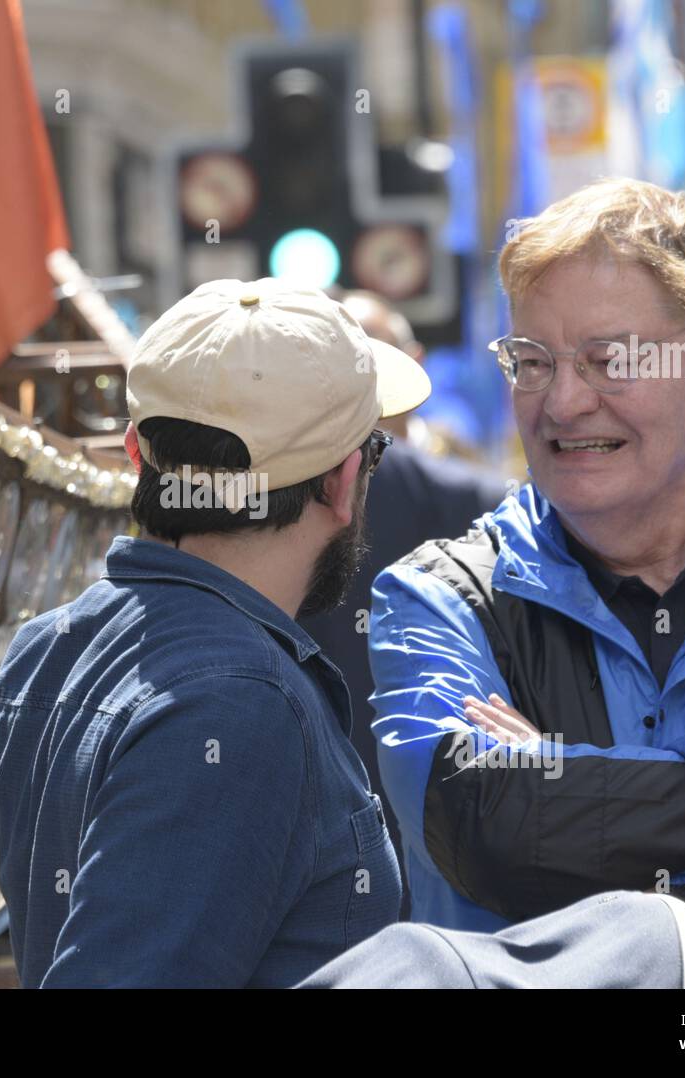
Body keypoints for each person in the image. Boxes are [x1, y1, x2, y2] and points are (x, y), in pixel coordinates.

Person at [369, 178, 685, 988]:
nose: (562, 401)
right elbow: (489, 826)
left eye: (610, 359)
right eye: (531, 362)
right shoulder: (438, 596)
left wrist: (565, 783)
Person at [0, 277, 430, 987]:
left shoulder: (50, 645)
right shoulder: (241, 705)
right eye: (372, 451)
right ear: (346, 481)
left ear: (136, 453)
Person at [299, 290, 505, 914]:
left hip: (451, 803)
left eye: (375, 354)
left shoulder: (476, 493)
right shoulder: (295, 486)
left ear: (411, 361)